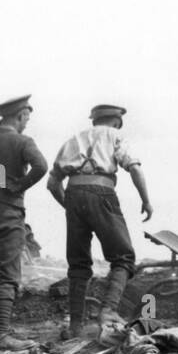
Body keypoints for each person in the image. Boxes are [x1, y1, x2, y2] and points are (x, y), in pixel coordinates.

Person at [47, 104, 153, 336]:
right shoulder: (115, 135)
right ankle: (108, 311)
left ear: (94, 121)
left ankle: (75, 325)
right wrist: (146, 200)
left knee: (78, 263)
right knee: (124, 257)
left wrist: (70, 206)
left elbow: (52, 183)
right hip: (102, 193)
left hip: (74, 194)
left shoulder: (73, 139)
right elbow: (134, 169)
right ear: (116, 122)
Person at [0, 94, 48, 350]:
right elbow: (41, 166)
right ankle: (1, 336)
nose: (27, 123)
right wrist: (19, 185)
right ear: (20, 116)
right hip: (7, 210)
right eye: (27, 118)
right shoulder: (23, 141)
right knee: (7, 275)